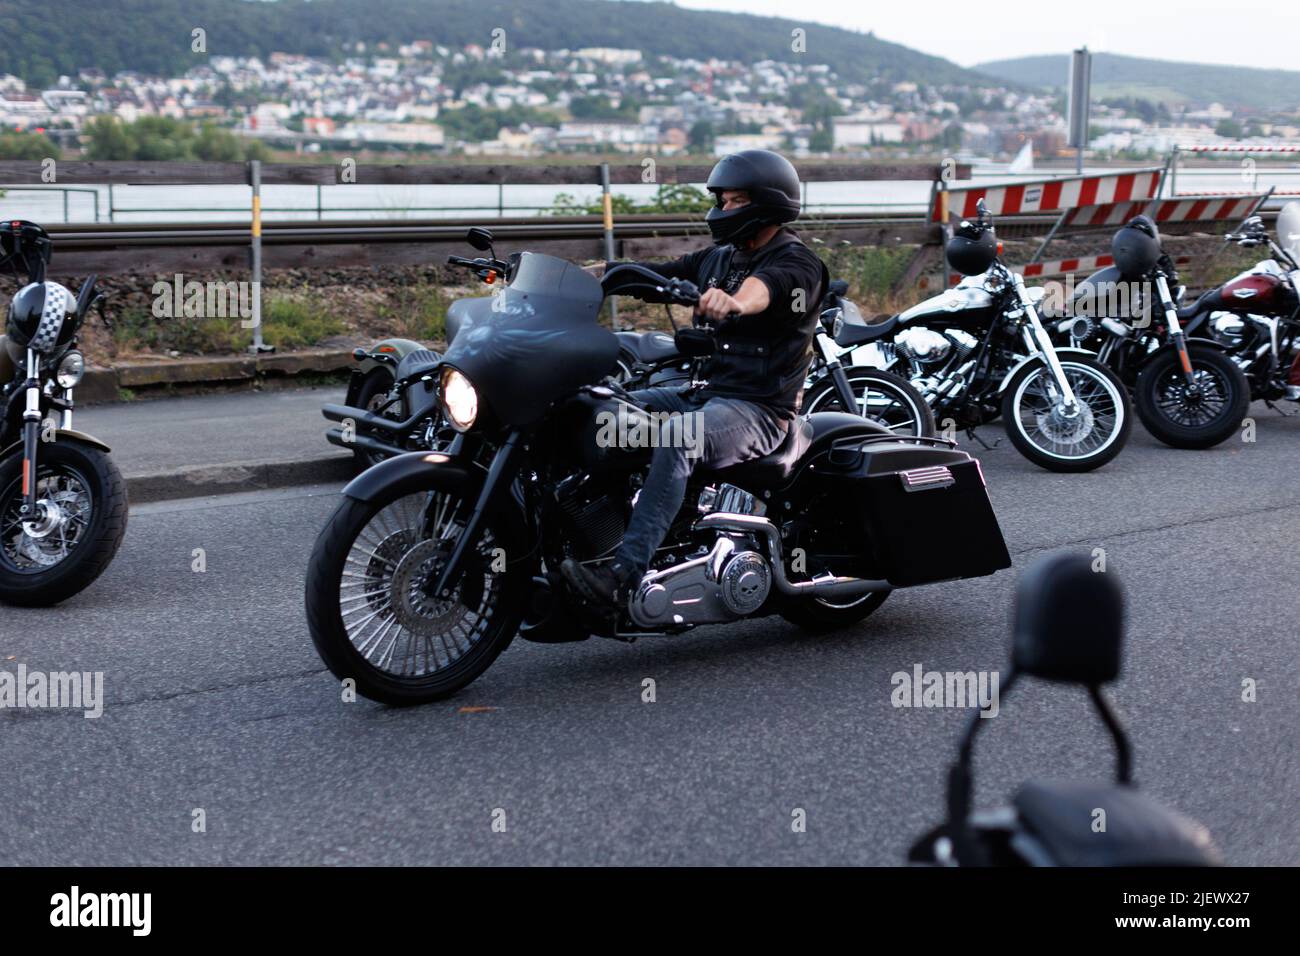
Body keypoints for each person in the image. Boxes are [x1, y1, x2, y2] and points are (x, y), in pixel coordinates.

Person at [561, 149, 828, 612]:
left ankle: (623, 575)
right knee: (594, 406)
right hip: (704, 392)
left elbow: (765, 289)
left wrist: (735, 302)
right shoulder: (720, 257)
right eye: (721, 201)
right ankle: (586, 538)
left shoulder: (797, 263)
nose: (723, 211)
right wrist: (579, 279)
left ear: (767, 205)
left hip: (760, 411)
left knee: (678, 438)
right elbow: (651, 276)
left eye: (734, 202)